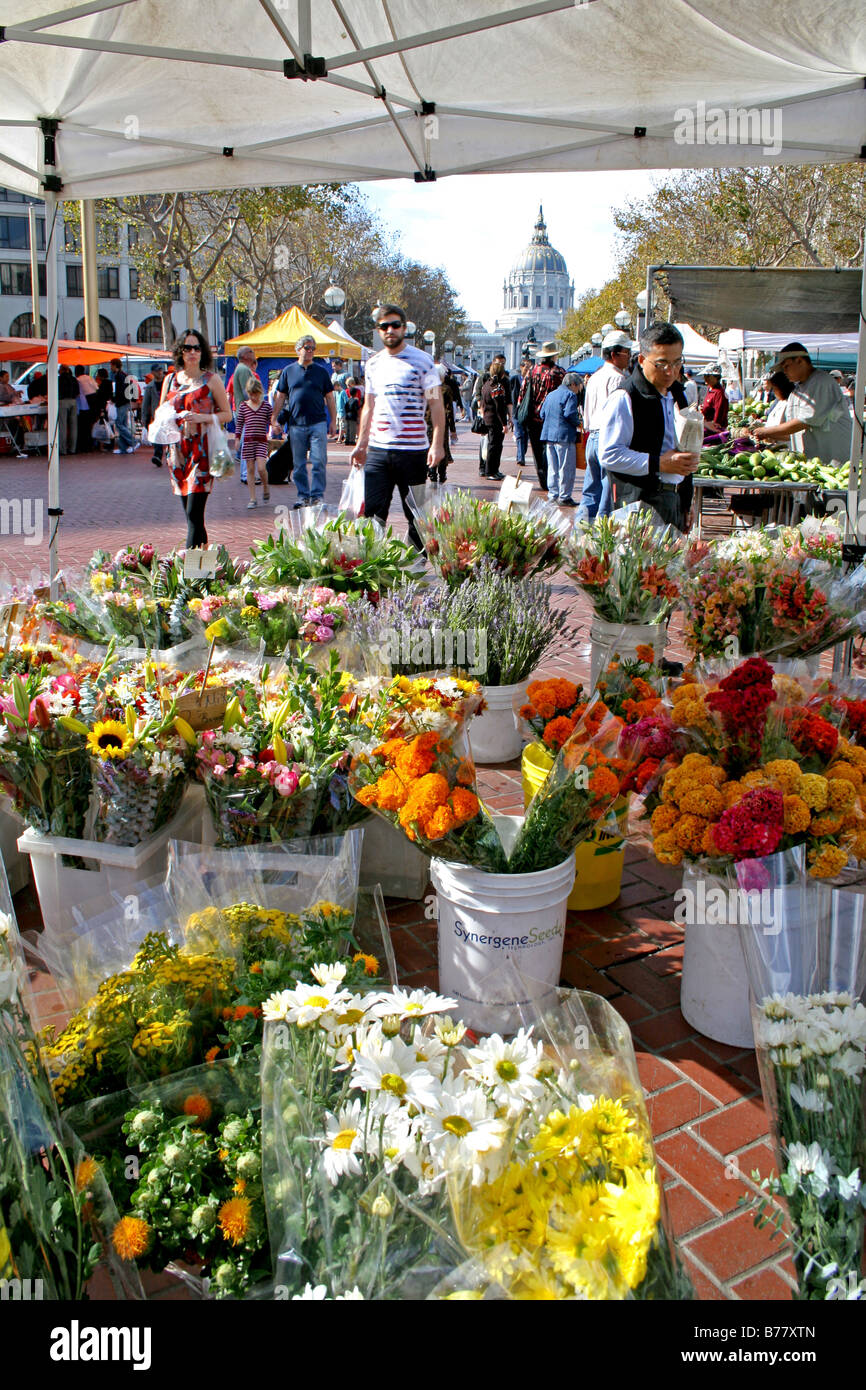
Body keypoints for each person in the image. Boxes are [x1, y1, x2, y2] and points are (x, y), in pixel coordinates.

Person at [350, 303, 444, 550]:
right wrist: (361, 444)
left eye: (394, 325)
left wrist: (437, 445)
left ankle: (415, 567)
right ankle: (372, 564)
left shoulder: (423, 362)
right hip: (379, 452)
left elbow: (435, 404)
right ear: (378, 330)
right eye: (384, 326)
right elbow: (368, 406)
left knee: (416, 515)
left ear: (404, 328)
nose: (389, 330)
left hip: (412, 452)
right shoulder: (373, 364)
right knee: (372, 514)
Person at [598, 322, 699, 531]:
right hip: (638, 504)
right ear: (642, 360)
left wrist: (686, 502)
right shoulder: (625, 397)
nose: (670, 372)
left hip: (674, 498)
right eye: (662, 364)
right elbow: (609, 454)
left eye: (677, 362)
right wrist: (658, 463)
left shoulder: (678, 394)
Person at [159, 328, 232, 548]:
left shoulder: (211, 380)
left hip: (202, 453)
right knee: (192, 518)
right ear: (180, 351)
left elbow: (227, 414)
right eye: (187, 347)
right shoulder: (171, 380)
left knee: (193, 514)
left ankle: (192, 573)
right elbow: (161, 413)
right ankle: (203, 570)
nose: (192, 352)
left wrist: (202, 417)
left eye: (197, 348)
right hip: (177, 453)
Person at [751, 342, 852, 464]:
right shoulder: (797, 390)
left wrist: (766, 431)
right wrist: (770, 434)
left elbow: (803, 422)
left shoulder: (821, 382)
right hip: (811, 460)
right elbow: (794, 432)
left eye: (786, 366)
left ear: (799, 360)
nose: (784, 371)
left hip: (831, 459)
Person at [270, 335, 337, 508]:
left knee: (319, 460)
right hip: (296, 423)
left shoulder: (321, 372)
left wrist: (333, 421)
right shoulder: (288, 371)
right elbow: (280, 396)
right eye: (307, 348)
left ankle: (317, 496)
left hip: (318, 422)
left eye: (313, 348)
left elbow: (330, 398)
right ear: (298, 349)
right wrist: (274, 418)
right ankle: (303, 496)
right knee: (298, 463)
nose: (310, 351)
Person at [578, 329, 631, 520]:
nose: (629, 358)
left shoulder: (595, 377)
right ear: (615, 354)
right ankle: (601, 535)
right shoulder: (618, 378)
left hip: (592, 436)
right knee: (607, 494)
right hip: (606, 438)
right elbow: (617, 413)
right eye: (627, 353)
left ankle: (581, 532)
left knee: (590, 491)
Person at [517, 341, 566, 492]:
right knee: (551, 450)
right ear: (554, 356)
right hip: (552, 416)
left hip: (533, 417)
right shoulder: (558, 373)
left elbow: (522, 393)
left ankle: (543, 479)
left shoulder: (532, 371)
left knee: (538, 451)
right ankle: (552, 479)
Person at [540, 371, 582, 505]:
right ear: (573, 384)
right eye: (578, 386)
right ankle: (565, 496)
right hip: (564, 436)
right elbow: (570, 414)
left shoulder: (551, 395)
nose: (578, 390)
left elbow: (542, 413)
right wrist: (579, 422)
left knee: (552, 468)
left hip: (549, 435)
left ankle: (553, 494)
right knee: (566, 468)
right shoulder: (570, 395)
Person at [237, 378, 272, 508]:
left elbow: (271, 419)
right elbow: (239, 423)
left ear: (260, 392)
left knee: (262, 468)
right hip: (248, 441)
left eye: (256, 394)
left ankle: (265, 486)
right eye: (251, 394)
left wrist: (275, 425)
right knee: (250, 469)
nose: (253, 397)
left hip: (261, 441)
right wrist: (237, 439)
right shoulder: (244, 406)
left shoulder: (266, 406)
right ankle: (252, 498)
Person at [229, 346, 260, 483]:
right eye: (251, 352)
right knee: (248, 444)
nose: (254, 354)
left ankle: (246, 474)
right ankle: (247, 474)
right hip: (248, 412)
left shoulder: (242, 369)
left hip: (245, 411)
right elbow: (248, 391)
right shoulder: (243, 369)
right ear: (246, 355)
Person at [479, 358, 512, 481]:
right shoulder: (497, 387)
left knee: (495, 445)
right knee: (494, 446)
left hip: (488, 417)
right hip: (495, 420)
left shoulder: (487, 384)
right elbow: (499, 407)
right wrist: (504, 423)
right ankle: (490, 471)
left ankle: (494, 470)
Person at [108, 357, 137, 455]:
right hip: (125, 402)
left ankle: (133, 442)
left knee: (119, 424)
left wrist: (114, 399)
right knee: (123, 424)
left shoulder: (118, 376)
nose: (110, 367)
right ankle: (123, 448)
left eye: (111, 365)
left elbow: (120, 391)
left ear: (114, 365)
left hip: (121, 402)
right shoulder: (123, 375)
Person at [141, 363, 166, 466]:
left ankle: (171, 455)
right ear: (153, 373)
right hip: (157, 415)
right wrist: (144, 418)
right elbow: (145, 403)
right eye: (157, 371)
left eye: (160, 370)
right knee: (157, 435)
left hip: (169, 413)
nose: (159, 372)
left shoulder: (168, 383)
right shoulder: (150, 387)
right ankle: (157, 456)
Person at [0, 370, 27, 455]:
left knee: (21, 424)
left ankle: (19, 443)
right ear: (1, 378)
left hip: (13, 410)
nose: (8, 378)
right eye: (6, 376)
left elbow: (13, 393)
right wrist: (13, 395)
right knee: (15, 424)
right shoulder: (1, 386)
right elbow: (3, 397)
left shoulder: (8, 385)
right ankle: (16, 443)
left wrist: (17, 393)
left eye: (8, 376)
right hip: (7, 412)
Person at [74, 365, 98, 453]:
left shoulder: (78, 380)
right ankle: (91, 444)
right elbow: (96, 388)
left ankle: (83, 445)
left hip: (84, 404)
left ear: (76, 372)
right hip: (93, 403)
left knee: (82, 426)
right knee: (89, 425)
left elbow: (79, 395)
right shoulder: (90, 378)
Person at [700, 365, 729, 434]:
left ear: (716, 377)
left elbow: (719, 413)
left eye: (708, 376)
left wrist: (714, 426)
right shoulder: (710, 389)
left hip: (714, 430)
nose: (705, 378)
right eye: (704, 375)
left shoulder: (719, 393)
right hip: (706, 426)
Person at [57, 364, 78, 454]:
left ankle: (63, 449)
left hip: (62, 402)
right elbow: (78, 392)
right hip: (73, 401)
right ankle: (73, 448)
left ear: (61, 370)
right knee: (73, 426)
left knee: (63, 425)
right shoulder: (73, 379)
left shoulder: (58, 379)